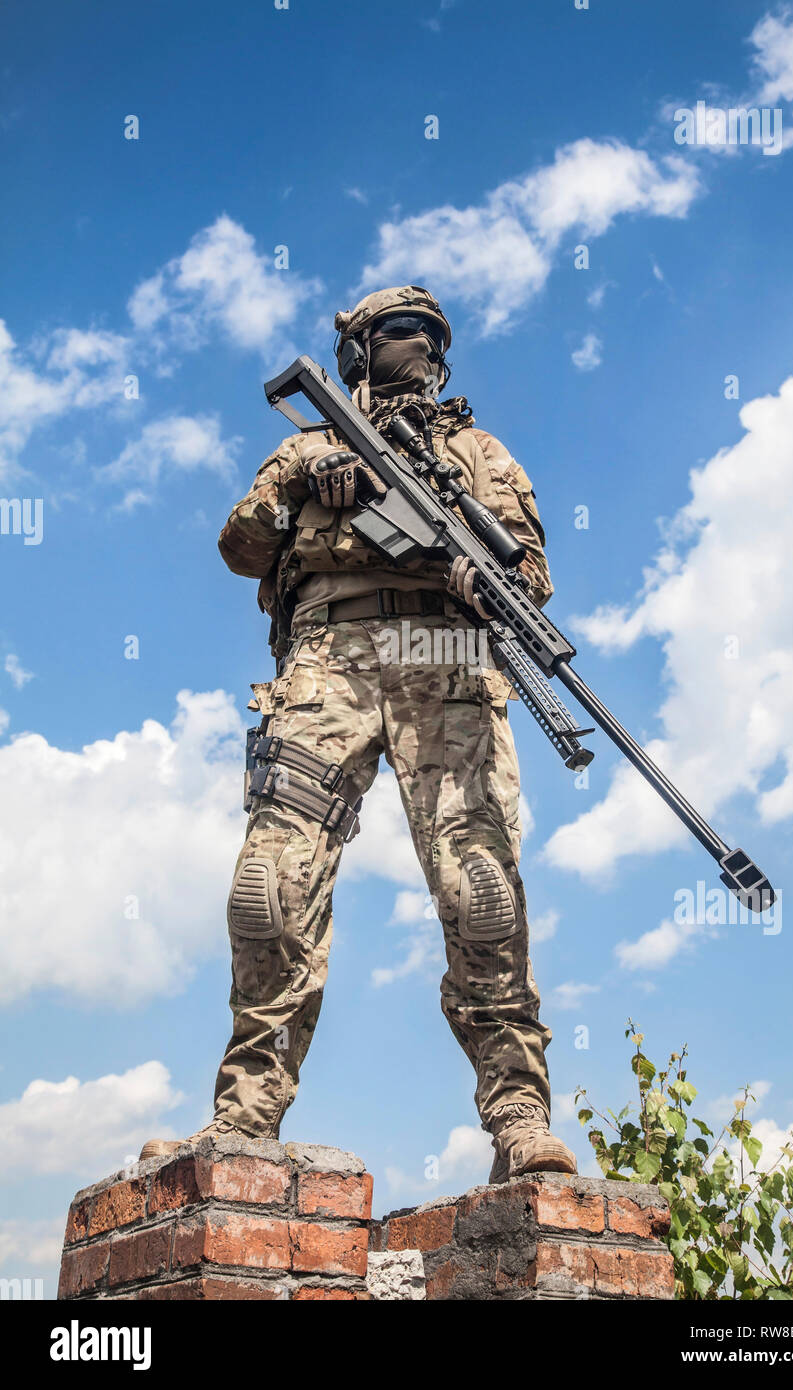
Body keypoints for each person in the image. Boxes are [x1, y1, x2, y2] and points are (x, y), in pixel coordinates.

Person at [141, 286, 577, 1183]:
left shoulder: (479, 454)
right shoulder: (307, 443)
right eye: (391, 334)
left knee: (480, 890)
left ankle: (521, 1117)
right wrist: (309, 477)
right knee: (268, 883)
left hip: (446, 654)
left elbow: (531, 578)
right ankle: (245, 1117)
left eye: (422, 335)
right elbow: (240, 546)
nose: (409, 347)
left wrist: (472, 570)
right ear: (354, 353)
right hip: (326, 655)